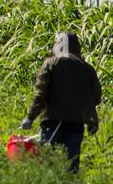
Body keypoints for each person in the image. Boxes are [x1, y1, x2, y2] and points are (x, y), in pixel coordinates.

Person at [20, 31, 101, 174]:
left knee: (48, 164)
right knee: (71, 167)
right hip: (75, 125)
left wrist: (30, 117)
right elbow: (96, 97)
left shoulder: (50, 64)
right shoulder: (87, 69)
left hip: (51, 123)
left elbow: (40, 94)